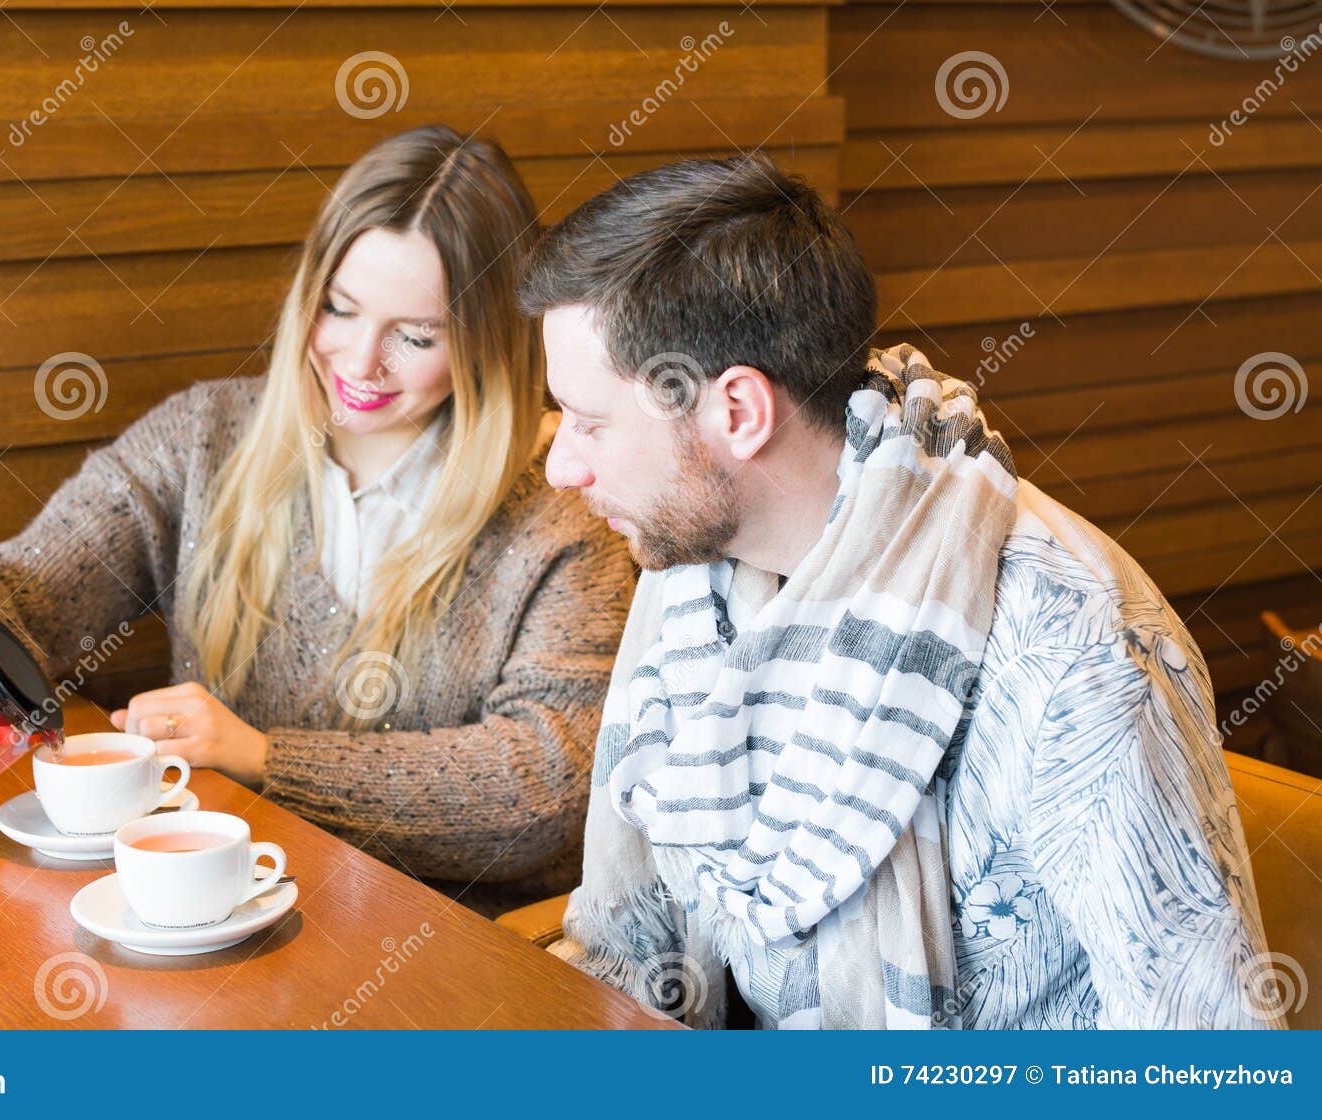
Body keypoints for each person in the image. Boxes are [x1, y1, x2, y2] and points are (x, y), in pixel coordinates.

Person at [517, 155, 1277, 1027]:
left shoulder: (1080, 652)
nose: (561, 464)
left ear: (737, 413)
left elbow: (1213, 1060)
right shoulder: (693, 577)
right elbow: (630, 942)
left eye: (590, 422)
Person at [0, 125, 634, 914]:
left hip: (450, 955)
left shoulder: (565, 506)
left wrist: (264, 758)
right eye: (339, 310)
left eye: (415, 336)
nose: (357, 364)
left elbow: (548, 783)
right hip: (210, 919)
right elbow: (38, 594)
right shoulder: (206, 437)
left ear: (489, 341)